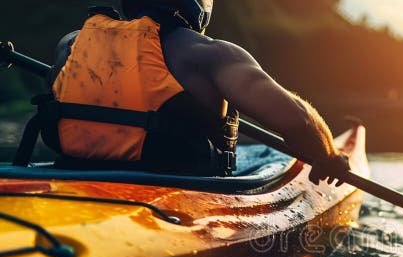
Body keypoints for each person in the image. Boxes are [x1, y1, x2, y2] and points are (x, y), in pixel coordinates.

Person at [39, 0, 349, 183]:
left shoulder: (71, 44)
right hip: (172, 190)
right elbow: (298, 122)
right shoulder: (209, 54)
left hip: (72, 177)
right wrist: (329, 156)